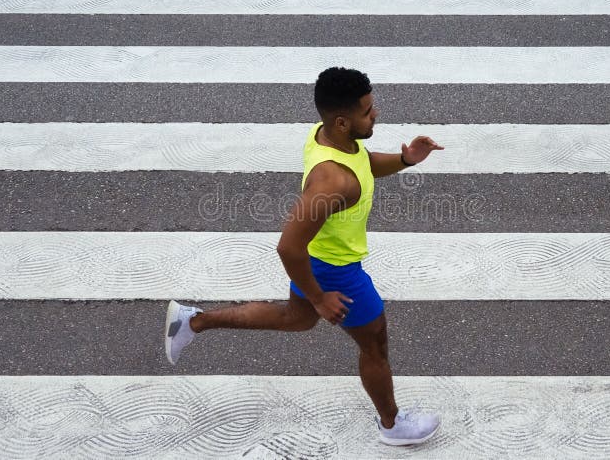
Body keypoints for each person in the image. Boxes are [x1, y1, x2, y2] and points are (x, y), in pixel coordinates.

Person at [165, 66, 444, 446]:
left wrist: (406, 159)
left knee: (295, 320)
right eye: (367, 111)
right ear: (344, 121)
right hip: (336, 271)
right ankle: (392, 425)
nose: (375, 114)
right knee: (374, 344)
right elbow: (288, 247)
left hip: (319, 260)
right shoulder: (331, 182)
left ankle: (193, 321)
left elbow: (363, 165)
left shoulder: (328, 137)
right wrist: (319, 296)